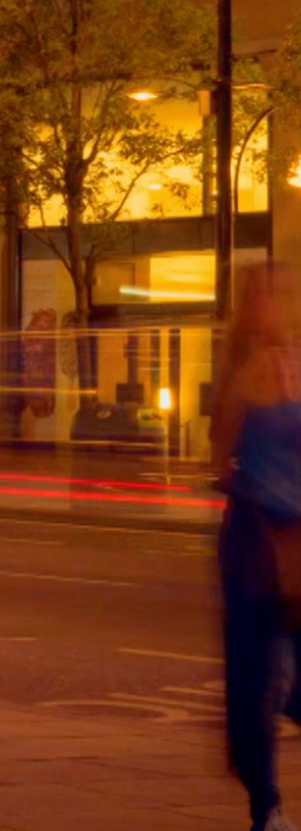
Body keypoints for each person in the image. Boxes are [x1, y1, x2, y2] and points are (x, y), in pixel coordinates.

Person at [212, 262, 301, 831]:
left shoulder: (296, 366)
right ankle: (264, 806)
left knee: (286, 678)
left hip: (297, 536)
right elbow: (219, 462)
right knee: (255, 674)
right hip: (257, 542)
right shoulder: (245, 377)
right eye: (277, 295)